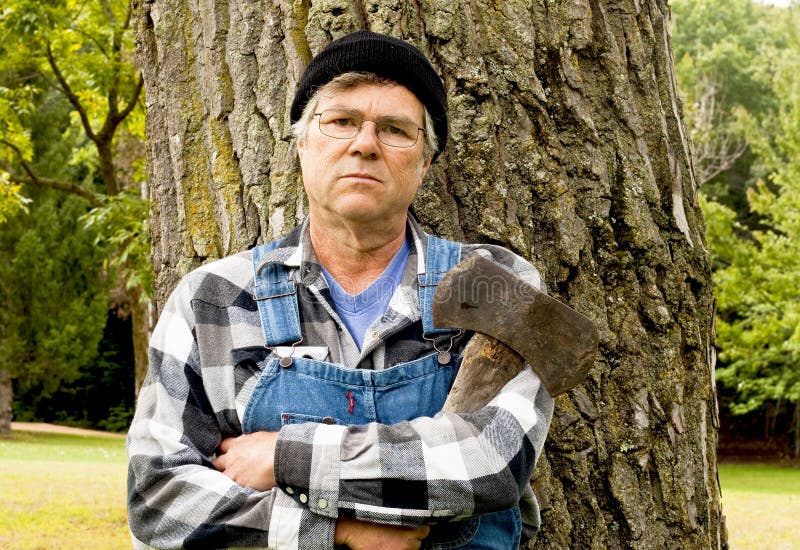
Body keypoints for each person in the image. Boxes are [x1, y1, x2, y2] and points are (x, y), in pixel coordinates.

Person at [127, 30, 554, 550]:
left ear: (424, 162)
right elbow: (156, 499)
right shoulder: (211, 299)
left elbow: (493, 461)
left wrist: (286, 454)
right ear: (301, 143)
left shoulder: (496, 285)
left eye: (395, 129)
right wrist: (334, 531)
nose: (365, 144)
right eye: (341, 121)